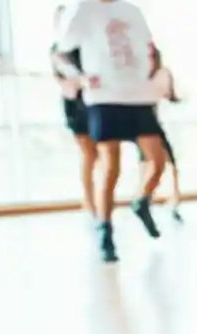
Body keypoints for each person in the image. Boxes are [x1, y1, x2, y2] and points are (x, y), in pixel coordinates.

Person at [55, 0, 167, 263]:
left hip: (138, 96)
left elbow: (148, 47)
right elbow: (61, 52)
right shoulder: (83, 9)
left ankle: (141, 201)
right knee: (110, 166)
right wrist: (80, 77)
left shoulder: (132, 11)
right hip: (104, 97)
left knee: (157, 160)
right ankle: (105, 230)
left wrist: (151, 75)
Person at [51, 5, 95, 222]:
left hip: (94, 103)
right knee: (89, 154)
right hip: (76, 105)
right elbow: (70, 77)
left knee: (101, 153)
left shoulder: (86, 45)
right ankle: (89, 200)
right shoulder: (58, 49)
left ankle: (98, 199)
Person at [137, 46, 183, 222]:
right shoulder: (139, 75)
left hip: (152, 123)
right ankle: (144, 199)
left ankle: (172, 199)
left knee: (167, 164)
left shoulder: (163, 74)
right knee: (149, 164)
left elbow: (170, 95)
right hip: (143, 123)